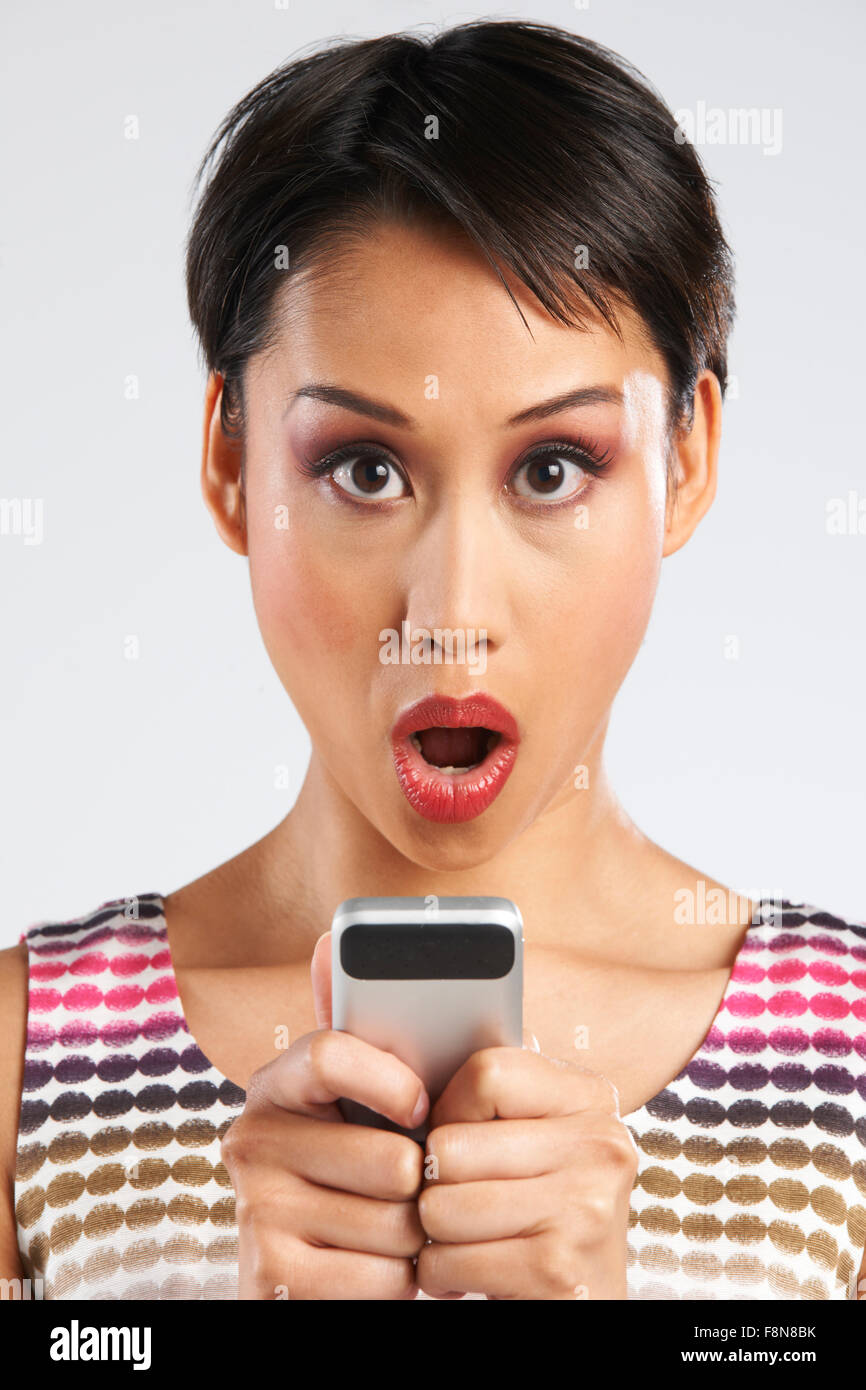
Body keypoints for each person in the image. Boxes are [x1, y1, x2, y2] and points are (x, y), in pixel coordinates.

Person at [1, 18, 863, 1302]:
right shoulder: (26, 1060)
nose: (450, 612)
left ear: (684, 462)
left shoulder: (847, 1070)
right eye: (364, 469)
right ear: (233, 466)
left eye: (552, 468)